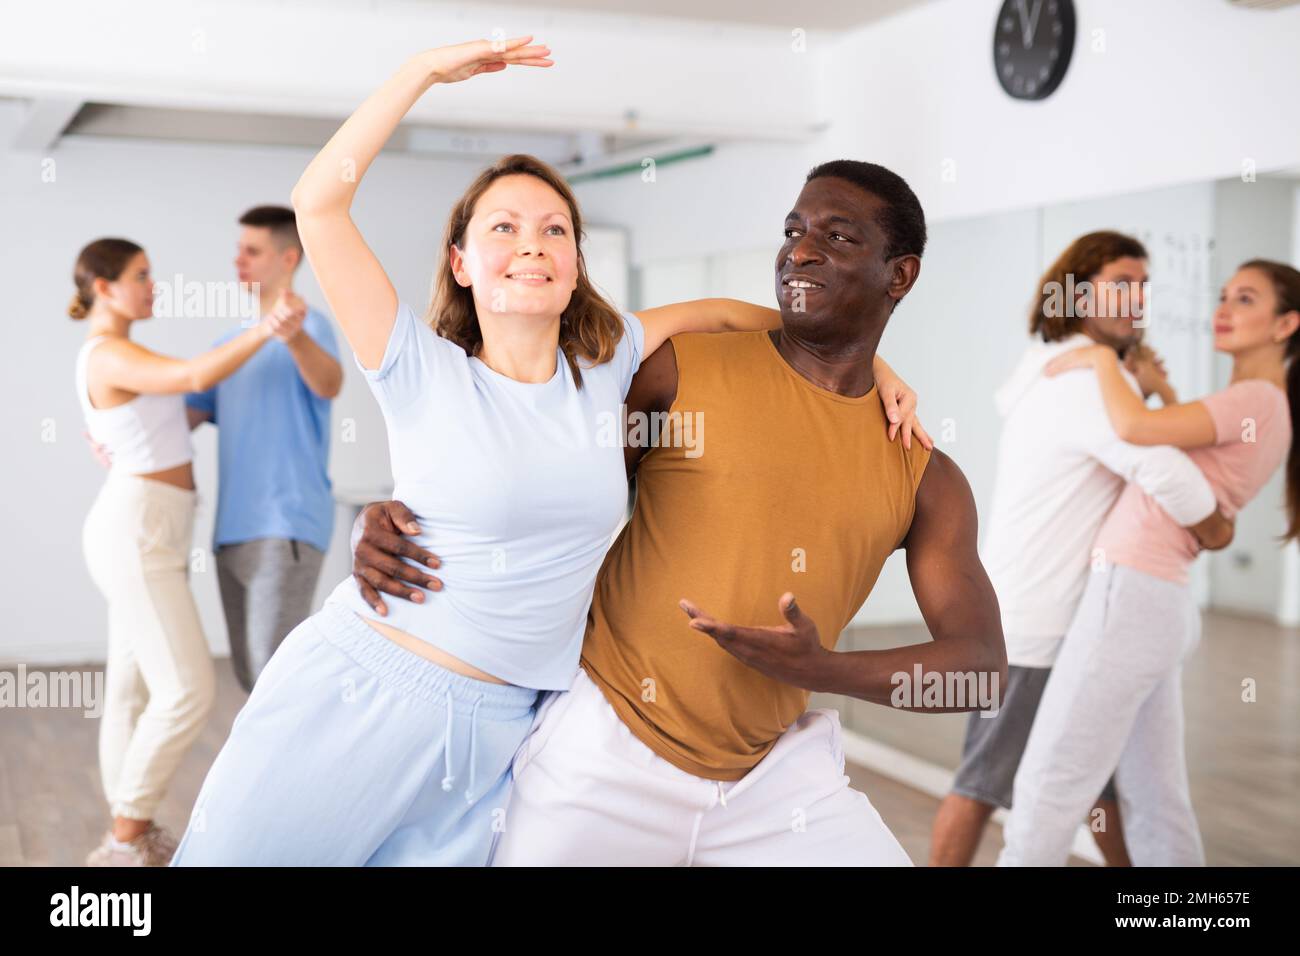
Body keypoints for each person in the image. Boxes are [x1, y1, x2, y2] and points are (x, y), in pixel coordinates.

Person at [169, 37, 924, 867]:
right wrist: (422, 74)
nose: (531, 242)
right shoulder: (417, 365)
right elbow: (318, 205)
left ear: (572, 268)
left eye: (553, 228)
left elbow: (762, 319)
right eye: (503, 227)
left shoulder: (608, 369)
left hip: (504, 733)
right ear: (460, 263)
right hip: (366, 691)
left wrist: (879, 366)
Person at [354, 156, 1009, 866]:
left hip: (770, 781)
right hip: (602, 754)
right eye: (794, 230)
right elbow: (520, 474)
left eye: (839, 237)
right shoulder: (679, 369)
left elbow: (978, 669)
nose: (802, 249)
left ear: (900, 275)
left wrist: (823, 669)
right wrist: (388, 515)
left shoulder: (925, 476)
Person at [929, 231, 1235, 867]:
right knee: (983, 784)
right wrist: (1215, 528)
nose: (1137, 299)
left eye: (1144, 285)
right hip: (1035, 626)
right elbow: (1163, 471)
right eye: (1121, 282)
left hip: (1078, 624)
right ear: (1075, 290)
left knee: (1105, 788)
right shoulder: (1079, 381)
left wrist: (1146, 390)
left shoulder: (1078, 374)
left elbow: (1134, 450)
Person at [998, 259, 1300, 866]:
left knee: (1048, 784)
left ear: (1285, 323)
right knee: (1156, 798)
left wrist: (1102, 360)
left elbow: (1136, 430)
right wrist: (1162, 390)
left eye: (1245, 299)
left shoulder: (1254, 399)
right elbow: (1195, 457)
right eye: (1222, 295)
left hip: (1131, 598)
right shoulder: (1263, 403)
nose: (1223, 309)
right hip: (1155, 603)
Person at [73, 237, 290, 865]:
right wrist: (267, 328)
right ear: (105, 287)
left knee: (130, 689)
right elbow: (196, 376)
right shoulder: (110, 353)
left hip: (149, 530)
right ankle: (126, 839)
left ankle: (126, 831)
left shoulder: (120, 352)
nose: (153, 286)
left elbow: (175, 408)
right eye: (142, 276)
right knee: (188, 689)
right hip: (136, 534)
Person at [186, 205, 342, 693]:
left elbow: (329, 383)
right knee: (250, 676)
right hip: (231, 530)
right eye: (238, 251)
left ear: (288, 258)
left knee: (273, 676)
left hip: (286, 523)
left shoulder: (312, 329)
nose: (240, 261)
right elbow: (182, 417)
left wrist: (291, 338)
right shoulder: (231, 343)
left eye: (252, 251)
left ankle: (300, 771)